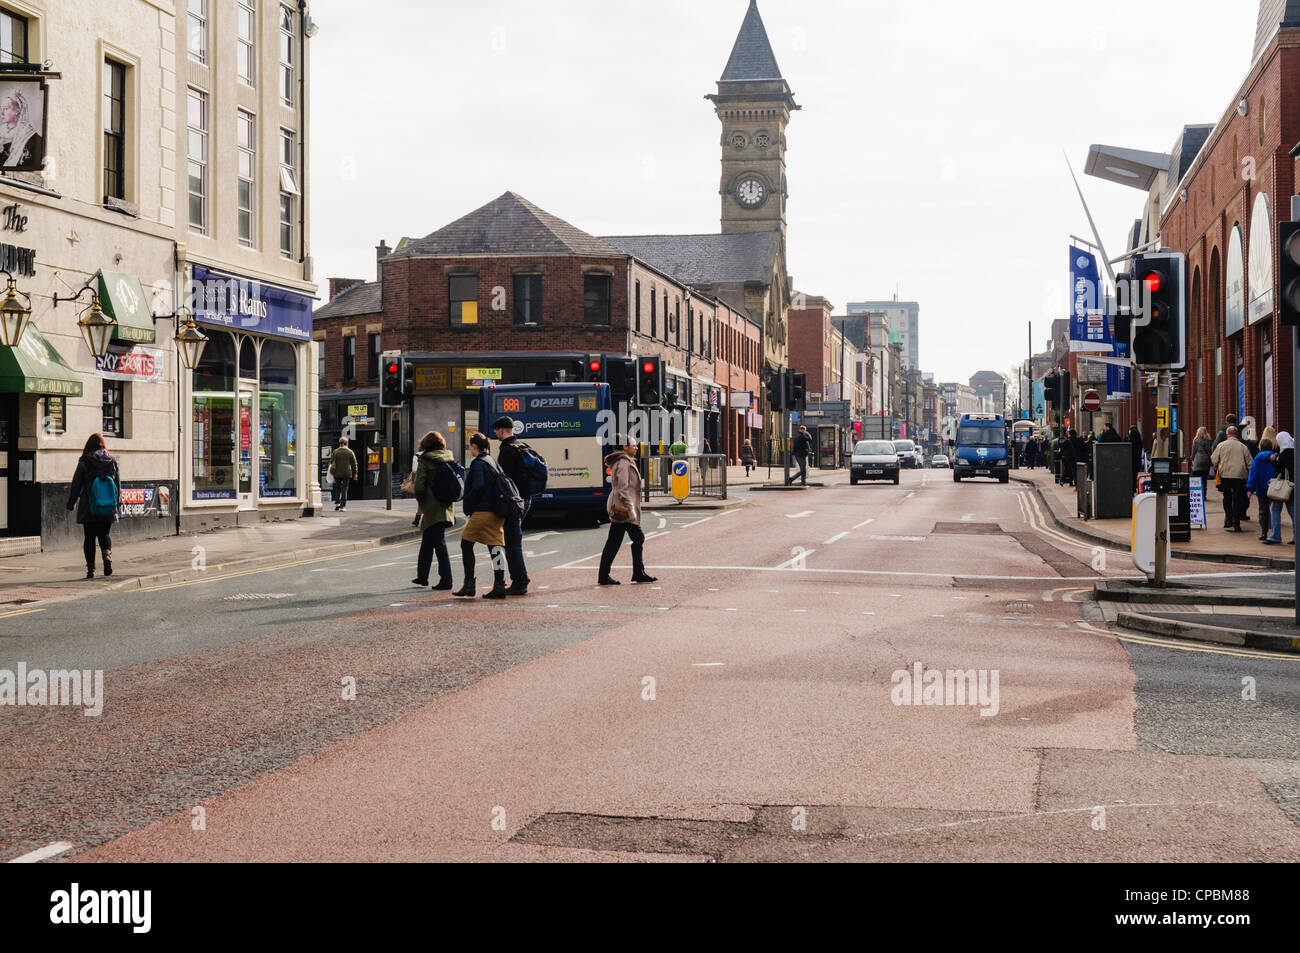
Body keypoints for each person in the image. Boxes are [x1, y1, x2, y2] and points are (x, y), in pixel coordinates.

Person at [455, 432, 508, 599]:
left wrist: (467, 501)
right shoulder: (492, 461)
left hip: (483, 511)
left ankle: (469, 584)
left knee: (466, 543)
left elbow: (478, 486)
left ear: (474, 447)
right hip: (497, 510)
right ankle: (499, 584)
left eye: (470, 446)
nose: (470, 449)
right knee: (496, 547)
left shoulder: (478, 464)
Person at [598, 436, 656, 586]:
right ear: (625, 447)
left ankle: (606, 575)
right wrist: (631, 510)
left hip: (620, 506)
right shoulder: (624, 462)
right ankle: (637, 573)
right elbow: (623, 488)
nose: (636, 447)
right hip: (623, 508)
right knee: (638, 538)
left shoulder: (623, 461)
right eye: (634, 445)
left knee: (614, 542)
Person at [66, 433, 120, 579]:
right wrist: (117, 504)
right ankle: (107, 555)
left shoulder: (84, 462)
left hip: (89, 505)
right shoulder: (111, 461)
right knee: (104, 534)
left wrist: (71, 503)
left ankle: (91, 570)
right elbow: (117, 485)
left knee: (89, 537)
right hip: (108, 505)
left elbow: (76, 484)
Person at [493, 415, 532, 596]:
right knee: (513, 541)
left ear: (502, 430)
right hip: (526, 498)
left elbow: (504, 481)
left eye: (496, 430)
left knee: (512, 543)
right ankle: (520, 579)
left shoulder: (507, 450)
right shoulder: (522, 446)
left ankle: (520, 581)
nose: (495, 433)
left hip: (514, 502)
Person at [411, 431, 455, 590]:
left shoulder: (426, 459)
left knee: (439, 544)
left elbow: (419, 486)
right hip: (446, 505)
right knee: (428, 542)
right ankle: (422, 576)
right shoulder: (448, 457)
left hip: (432, 507)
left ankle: (447, 579)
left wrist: (421, 502)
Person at [1211, 426, 1252, 532]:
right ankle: (1237, 523)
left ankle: (1229, 519)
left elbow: (1213, 459)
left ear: (1227, 434)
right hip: (1240, 476)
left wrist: (1218, 465)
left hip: (1225, 475)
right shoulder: (1243, 447)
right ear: (1237, 434)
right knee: (1238, 499)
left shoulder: (1221, 445)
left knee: (1227, 498)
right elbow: (1250, 463)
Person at [0, 89, 43, 169]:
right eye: (1, 108)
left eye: (6, 109)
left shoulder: (29, 135)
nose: (2, 112)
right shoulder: (1, 131)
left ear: (17, 110)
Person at [1246, 436, 1277, 542]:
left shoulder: (1257, 459)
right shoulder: (1276, 457)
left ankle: (1264, 532)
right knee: (1274, 511)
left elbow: (1253, 474)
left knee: (1263, 510)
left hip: (1262, 488)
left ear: (1260, 446)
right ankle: (1274, 532)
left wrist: (1250, 489)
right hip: (1275, 488)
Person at [1268, 432, 1295, 545]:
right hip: (1292, 486)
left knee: (1274, 510)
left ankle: (1275, 536)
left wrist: (1273, 461)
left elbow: (1282, 469)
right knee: (1293, 513)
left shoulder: (1284, 454)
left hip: (1282, 487)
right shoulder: (1295, 452)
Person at [329, 437, 358, 511]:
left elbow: (331, 462)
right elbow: (354, 464)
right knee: (345, 489)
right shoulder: (350, 452)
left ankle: (337, 504)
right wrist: (355, 473)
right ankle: (343, 506)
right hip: (347, 473)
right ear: (347, 443)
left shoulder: (335, 451)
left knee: (338, 488)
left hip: (337, 473)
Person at [1127, 425, 1143, 491]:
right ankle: (1134, 487)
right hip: (1137, 461)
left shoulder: (1129, 440)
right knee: (1134, 475)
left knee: (1129, 475)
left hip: (1130, 460)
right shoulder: (1139, 440)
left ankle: (1130, 488)